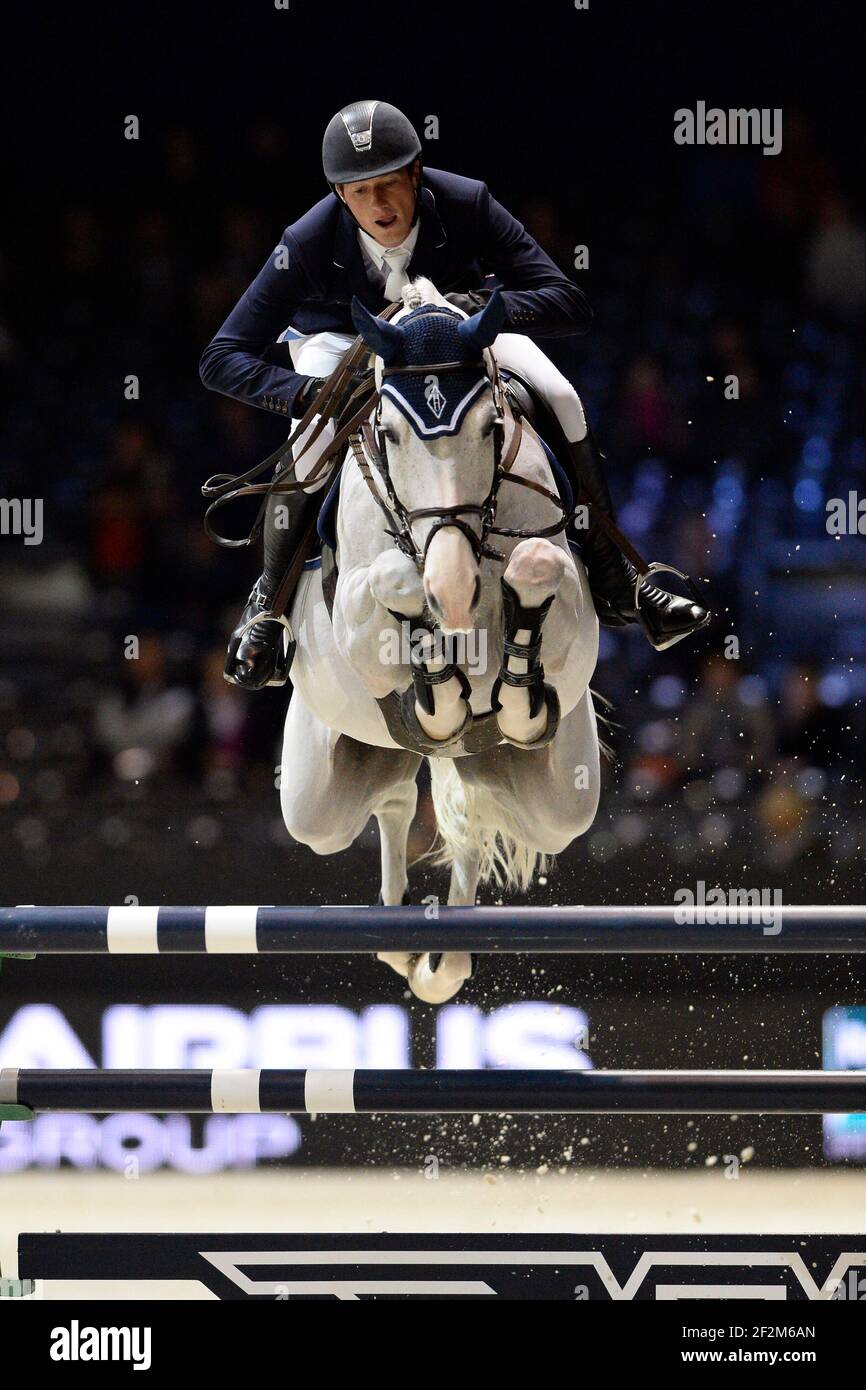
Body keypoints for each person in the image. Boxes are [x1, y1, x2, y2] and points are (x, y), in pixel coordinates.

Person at [200, 100, 709, 688]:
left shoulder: (468, 202)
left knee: (560, 394)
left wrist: (471, 305)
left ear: (416, 173)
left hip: (457, 334)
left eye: (389, 185)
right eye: (360, 192)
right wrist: (304, 395)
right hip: (345, 343)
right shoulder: (307, 239)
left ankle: (623, 579)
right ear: (340, 195)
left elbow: (567, 300)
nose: (380, 206)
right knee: (311, 444)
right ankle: (268, 607)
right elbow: (222, 356)